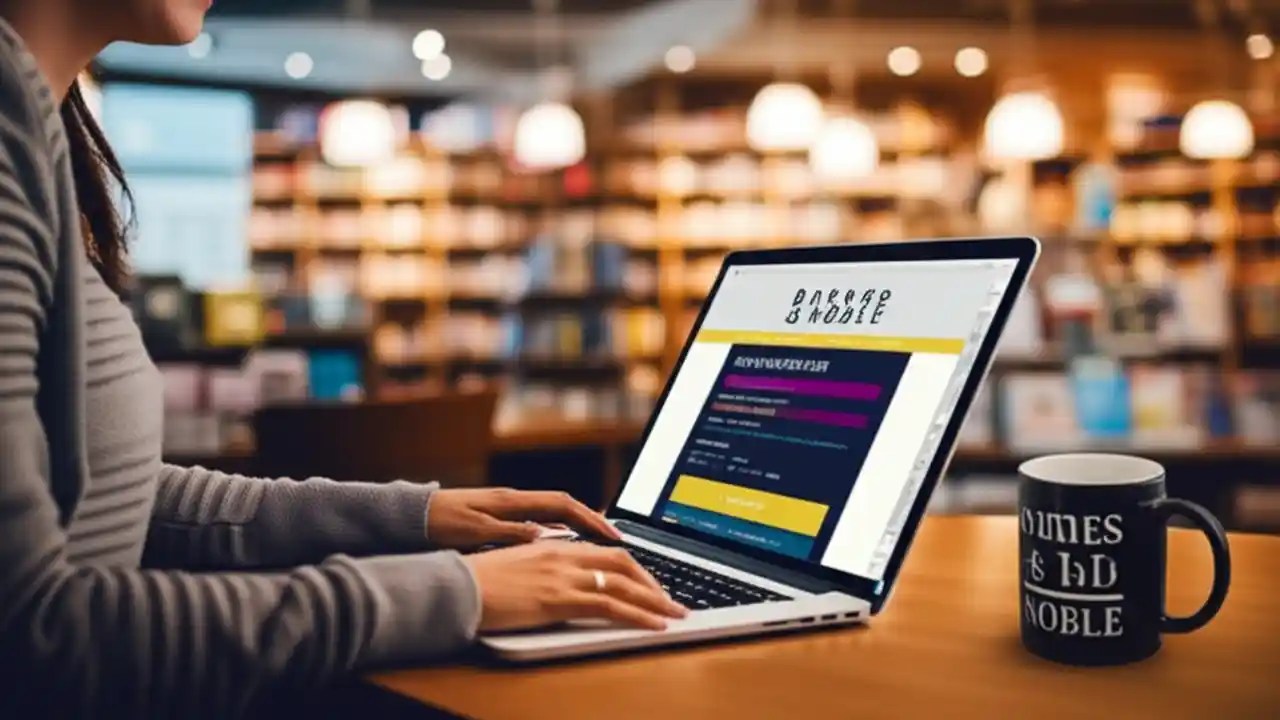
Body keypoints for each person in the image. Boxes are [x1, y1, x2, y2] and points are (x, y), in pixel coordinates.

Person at [0, 1, 686, 717]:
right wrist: (456, 592)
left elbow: (125, 498)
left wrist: (420, 514)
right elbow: (31, 640)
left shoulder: (34, 124)